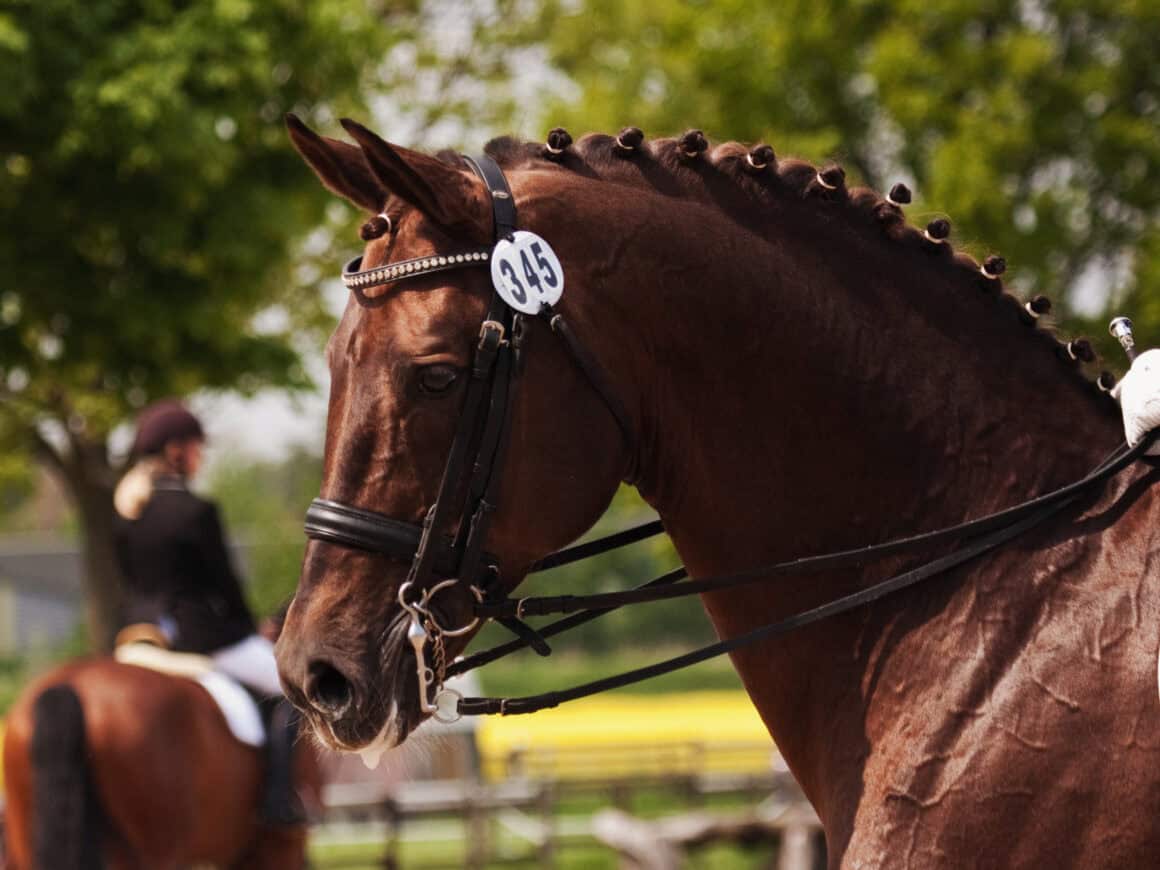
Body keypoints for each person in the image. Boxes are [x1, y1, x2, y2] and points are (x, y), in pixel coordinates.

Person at [113, 399, 302, 825]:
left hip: (137, 635)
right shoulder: (196, 511)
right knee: (290, 687)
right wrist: (250, 628)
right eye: (198, 448)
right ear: (176, 452)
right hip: (199, 638)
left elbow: (131, 581)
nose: (201, 457)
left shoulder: (125, 513)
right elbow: (224, 585)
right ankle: (279, 802)